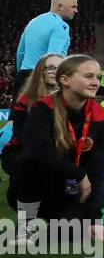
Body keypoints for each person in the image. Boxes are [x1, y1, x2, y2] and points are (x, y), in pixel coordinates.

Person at [14, 55, 104, 239]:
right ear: (65, 80)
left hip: (70, 188)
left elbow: (98, 171)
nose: (95, 83)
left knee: (70, 232)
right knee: (27, 159)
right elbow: (38, 152)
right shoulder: (42, 108)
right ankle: (27, 221)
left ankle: (60, 217)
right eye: (88, 76)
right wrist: (79, 174)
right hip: (39, 184)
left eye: (97, 77)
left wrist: (94, 219)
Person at [3, 53, 64, 216]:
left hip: (56, 153)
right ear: (41, 71)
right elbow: (22, 136)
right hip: (25, 151)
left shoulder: (71, 99)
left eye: (58, 68)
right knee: (30, 165)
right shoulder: (25, 100)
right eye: (50, 67)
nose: (54, 71)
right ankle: (27, 223)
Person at [15, 0, 77, 94]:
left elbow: (20, 53)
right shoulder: (60, 25)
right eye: (73, 7)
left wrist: (22, 73)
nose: (76, 10)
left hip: (23, 76)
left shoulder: (33, 22)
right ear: (60, 7)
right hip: (41, 80)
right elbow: (52, 57)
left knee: (18, 109)